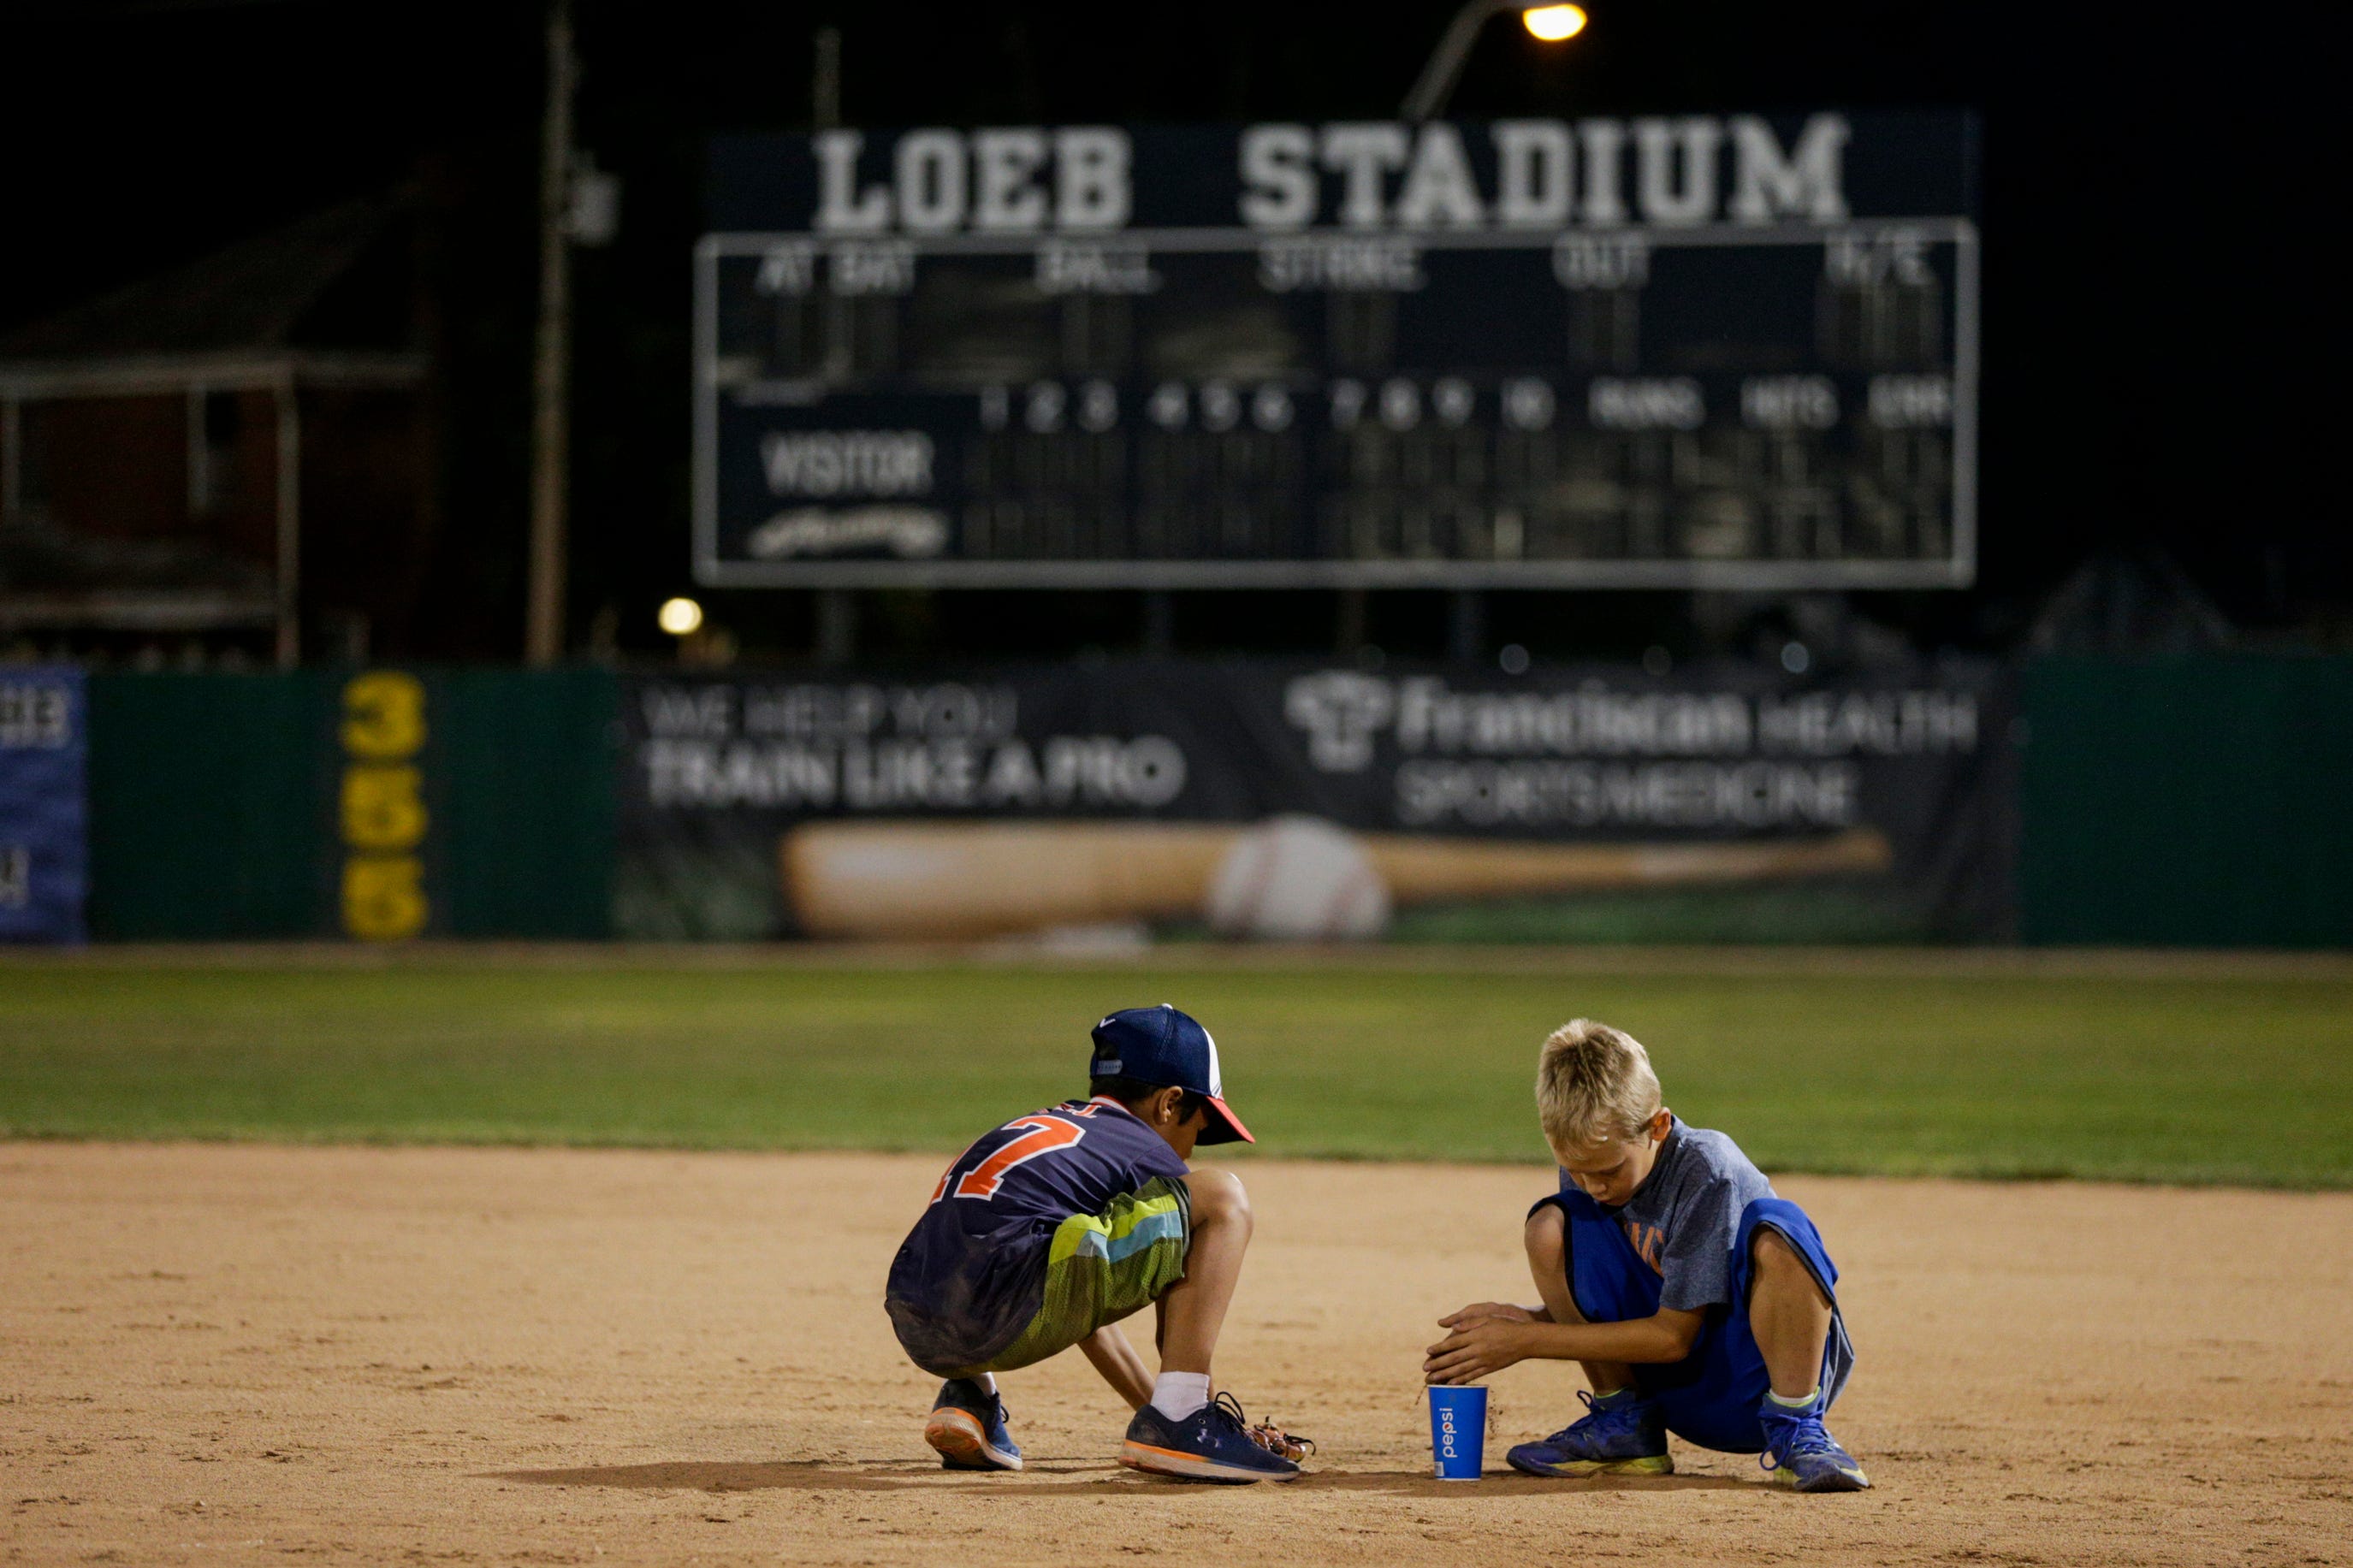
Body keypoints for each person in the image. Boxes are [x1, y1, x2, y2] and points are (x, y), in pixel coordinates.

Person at [1425, 1019, 1870, 1492]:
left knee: (1780, 1227)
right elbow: (1652, 1304)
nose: (1594, 1185)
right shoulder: (1594, 1167)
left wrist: (1528, 1342)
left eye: (1609, 1169)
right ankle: (1625, 1427)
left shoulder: (1707, 1171)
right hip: (1676, 1388)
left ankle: (1799, 1429)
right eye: (1575, 1167)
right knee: (1551, 1225)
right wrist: (1526, 1320)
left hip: (1750, 1388)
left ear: (1657, 1126)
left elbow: (1673, 1337)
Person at [885, 1003, 1305, 1483]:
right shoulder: (1141, 1147)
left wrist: (1156, 1408)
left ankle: (970, 1399)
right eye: (1198, 1125)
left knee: (1062, 1241)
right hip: (1008, 1300)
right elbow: (1167, 1325)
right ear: (1169, 1104)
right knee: (1222, 1197)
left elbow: (1083, 1304)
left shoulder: (1054, 1133)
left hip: (918, 1322)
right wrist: (1192, 1412)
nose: (1189, 1148)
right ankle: (1182, 1417)